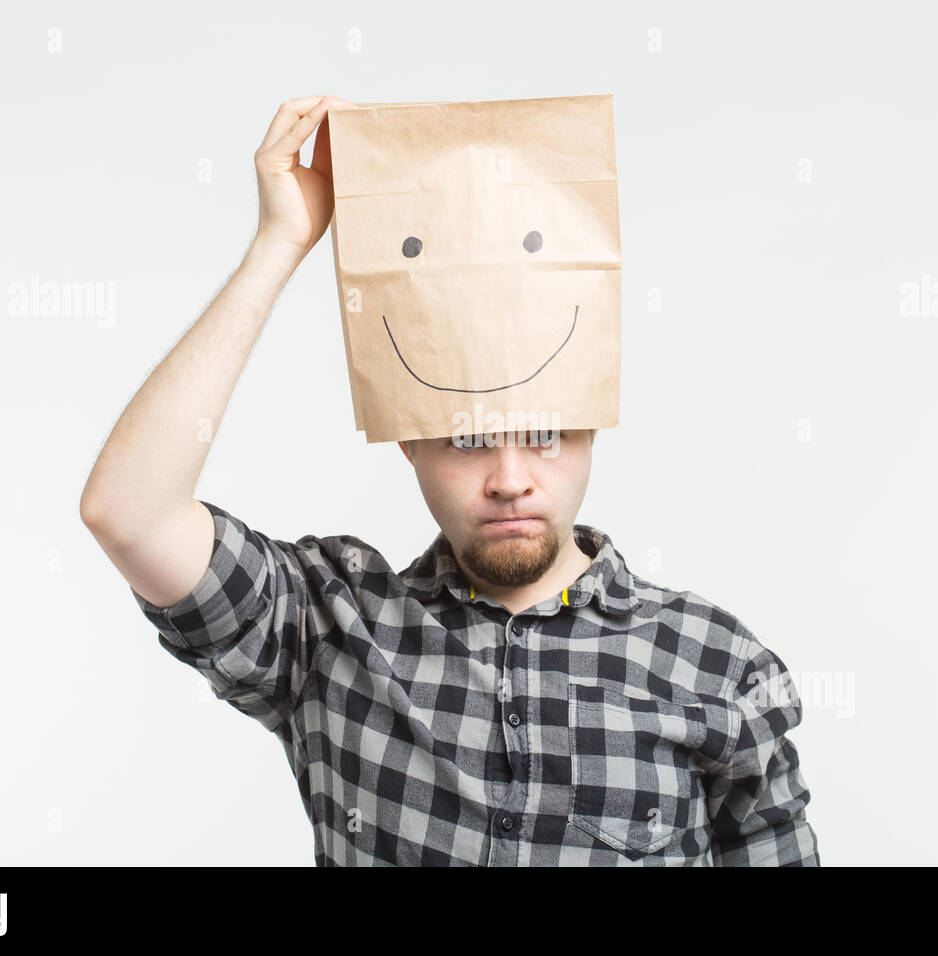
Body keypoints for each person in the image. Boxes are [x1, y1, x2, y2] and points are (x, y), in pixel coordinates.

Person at [80, 94, 821, 867]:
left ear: (593, 422)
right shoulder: (329, 628)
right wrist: (280, 243)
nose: (509, 479)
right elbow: (129, 510)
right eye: (468, 441)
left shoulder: (715, 663)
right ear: (410, 444)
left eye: (543, 436)